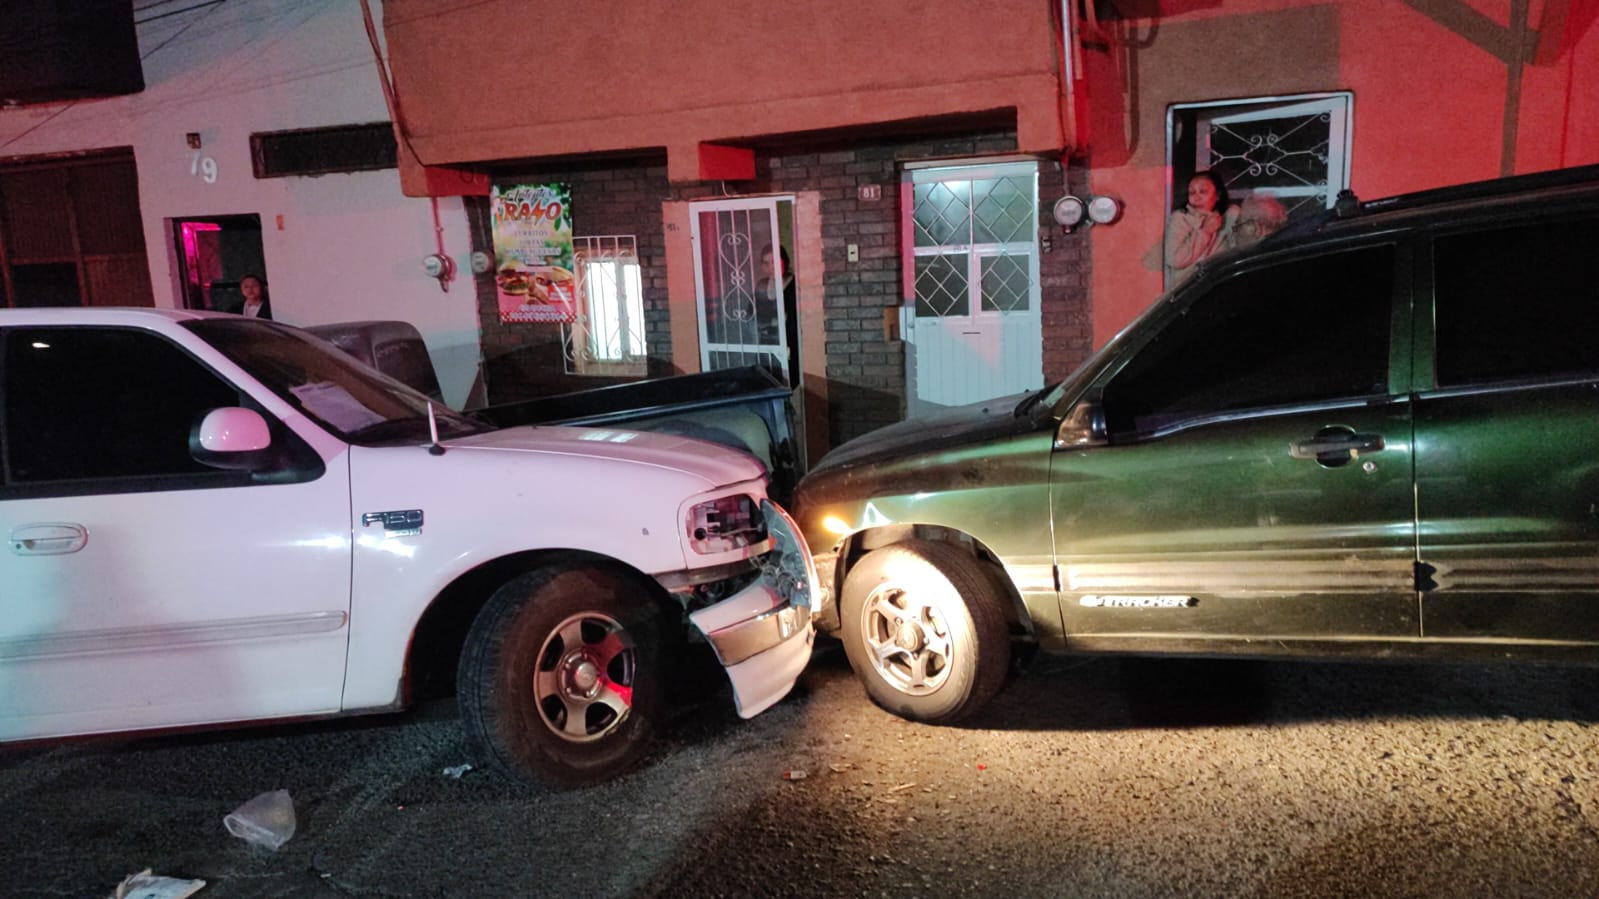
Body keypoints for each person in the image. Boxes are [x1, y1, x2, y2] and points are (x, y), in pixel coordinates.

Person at [1164, 170, 1238, 286]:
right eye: (1192, 193)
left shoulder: (1230, 216)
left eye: (1203, 191)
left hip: (1221, 285)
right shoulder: (1180, 219)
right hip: (1191, 288)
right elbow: (1176, 260)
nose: (1197, 197)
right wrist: (1204, 232)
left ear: (1218, 195)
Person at [756, 244, 800, 385]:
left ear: (784, 261)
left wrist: (772, 321)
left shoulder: (794, 284)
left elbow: (793, 318)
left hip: (787, 345)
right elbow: (752, 313)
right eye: (766, 263)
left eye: (774, 261)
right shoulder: (761, 285)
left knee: (787, 382)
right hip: (765, 344)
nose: (771, 267)